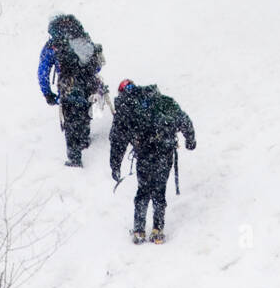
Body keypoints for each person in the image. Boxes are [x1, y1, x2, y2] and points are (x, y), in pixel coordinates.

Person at [110, 80, 196, 243]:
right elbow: (183, 119)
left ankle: (139, 230)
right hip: (165, 150)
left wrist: (115, 164)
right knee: (159, 189)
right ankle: (158, 229)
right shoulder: (163, 101)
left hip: (145, 153)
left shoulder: (128, 110)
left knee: (143, 190)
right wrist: (190, 140)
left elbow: (118, 140)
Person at [38, 14, 106, 168]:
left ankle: (74, 159)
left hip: (68, 84)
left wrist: (47, 93)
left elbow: (43, 71)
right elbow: (97, 66)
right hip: (89, 82)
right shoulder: (83, 38)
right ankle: (84, 139)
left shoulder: (52, 45)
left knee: (70, 119)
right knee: (84, 110)